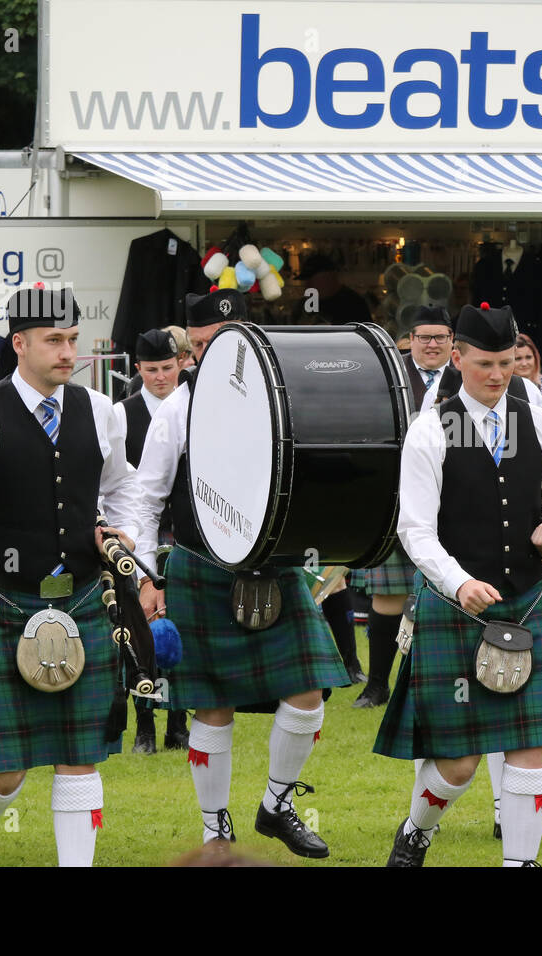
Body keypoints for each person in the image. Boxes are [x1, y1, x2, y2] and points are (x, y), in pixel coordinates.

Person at [134, 288, 349, 858]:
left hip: (272, 565)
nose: (210, 354)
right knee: (213, 704)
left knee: (308, 694)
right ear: (188, 351)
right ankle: (215, 830)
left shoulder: (282, 397)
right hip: (201, 566)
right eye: (199, 345)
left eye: (221, 342)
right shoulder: (178, 407)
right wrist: (146, 577)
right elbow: (146, 498)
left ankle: (277, 804)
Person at [0, 286, 142, 868]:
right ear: (20, 344)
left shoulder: (101, 410)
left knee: (80, 754)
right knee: (6, 770)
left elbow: (122, 484)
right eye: (54, 340)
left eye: (73, 340)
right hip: (8, 600)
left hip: (79, 599)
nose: (67, 352)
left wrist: (123, 533)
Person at [375, 302, 542, 867]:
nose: (497, 375)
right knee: (459, 762)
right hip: (454, 604)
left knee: (529, 750)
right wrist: (459, 582)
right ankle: (417, 830)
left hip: (527, 599)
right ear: (457, 358)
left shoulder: (538, 423)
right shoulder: (430, 431)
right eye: (485, 363)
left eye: (508, 363)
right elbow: (414, 529)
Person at [348, 307, 456, 708]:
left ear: (451, 340)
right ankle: (377, 684)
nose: (431, 344)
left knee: (445, 589)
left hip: (451, 496)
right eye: (423, 337)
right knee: (389, 595)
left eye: (440, 337)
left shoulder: (466, 376)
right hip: (396, 494)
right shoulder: (388, 376)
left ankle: (430, 685)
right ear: (409, 339)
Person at [112, 328, 190, 751]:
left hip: (182, 531)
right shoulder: (122, 414)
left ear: (179, 363)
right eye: (151, 370)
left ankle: (178, 723)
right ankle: (144, 727)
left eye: (167, 367)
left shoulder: (192, 408)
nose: (160, 377)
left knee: (179, 627)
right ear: (137, 369)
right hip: (139, 529)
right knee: (139, 629)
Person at [291, 253, 373, 326]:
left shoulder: (354, 304)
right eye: (305, 280)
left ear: (330, 276)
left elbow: (368, 338)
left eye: (311, 278)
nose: (307, 284)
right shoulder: (304, 305)